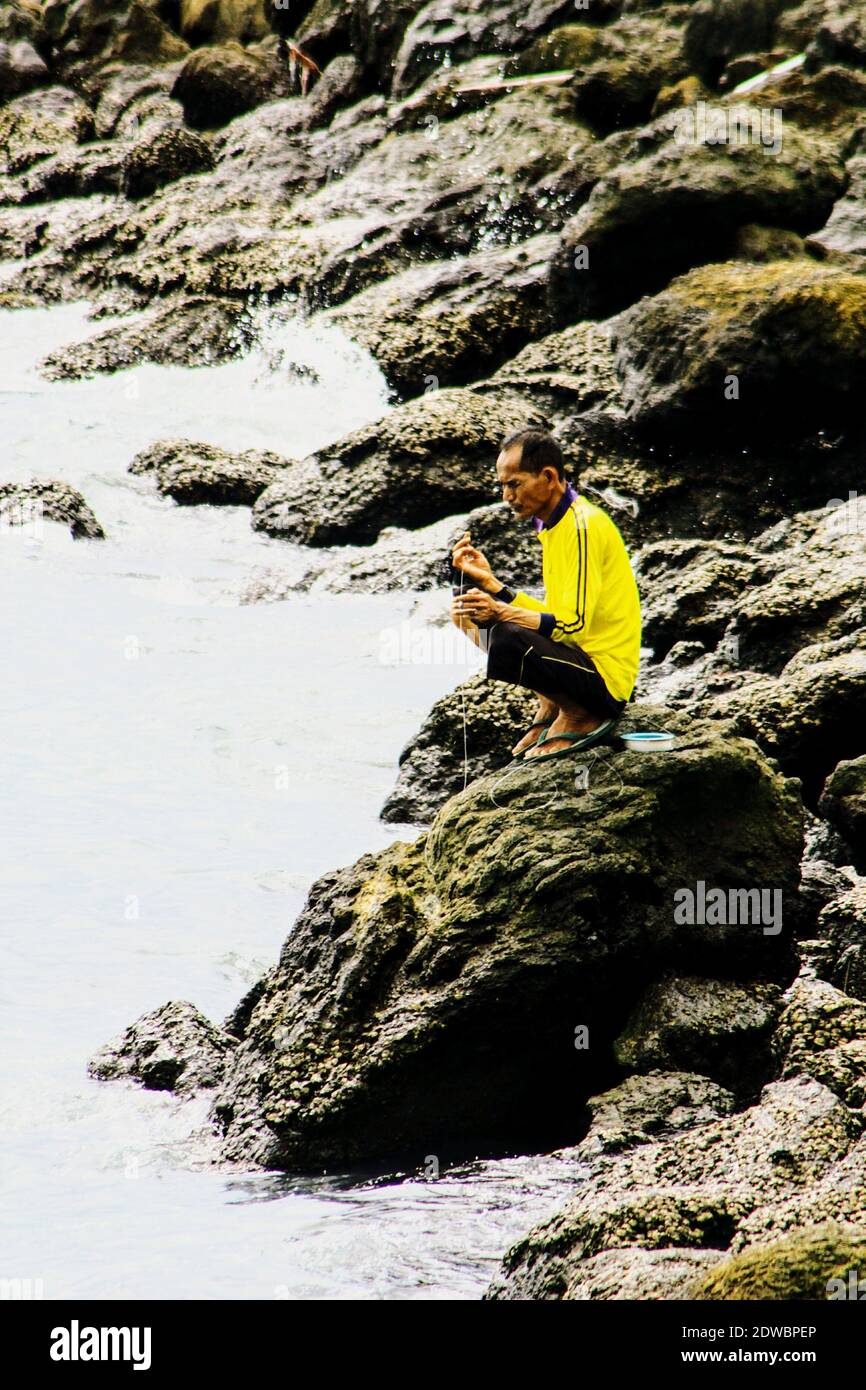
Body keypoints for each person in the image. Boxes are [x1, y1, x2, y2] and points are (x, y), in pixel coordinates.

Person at [450, 428, 641, 761]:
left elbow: (572, 625)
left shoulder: (582, 527)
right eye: (502, 485)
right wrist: (493, 585)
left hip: (604, 680)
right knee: (466, 612)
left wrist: (500, 611)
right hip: (580, 659)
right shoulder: (555, 524)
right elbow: (555, 616)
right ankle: (551, 703)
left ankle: (580, 713)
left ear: (549, 477)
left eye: (514, 484)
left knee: (507, 634)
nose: (506, 496)